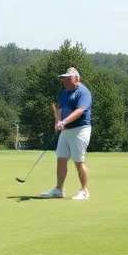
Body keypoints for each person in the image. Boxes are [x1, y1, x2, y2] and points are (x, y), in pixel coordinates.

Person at [41, 67, 93, 200]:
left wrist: (63, 122)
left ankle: (84, 191)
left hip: (80, 129)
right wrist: (57, 121)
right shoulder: (65, 92)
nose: (64, 81)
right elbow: (60, 108)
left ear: (76, 79)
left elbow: (80, 110)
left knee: (78, 161)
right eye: (64, 79)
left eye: (67, 79)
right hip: (66, 131)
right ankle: (59, 189)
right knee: (61, 159)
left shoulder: (83, 92)